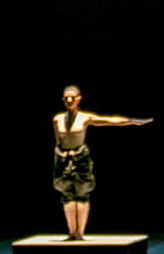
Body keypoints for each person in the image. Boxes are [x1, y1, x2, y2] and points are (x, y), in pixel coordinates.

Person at [52, 85, 153, 240]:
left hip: (81, 159)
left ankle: (80, 233)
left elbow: (110, 121)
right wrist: (58, 162)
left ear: (78, 99)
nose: (69, 100)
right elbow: (57, 142)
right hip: (64, 159)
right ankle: (72, 232)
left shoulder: (85, 118)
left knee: (82, 193)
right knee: (67, 195)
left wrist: (131, 121)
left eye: (72, 97)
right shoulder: (57, 119)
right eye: (66, 98)